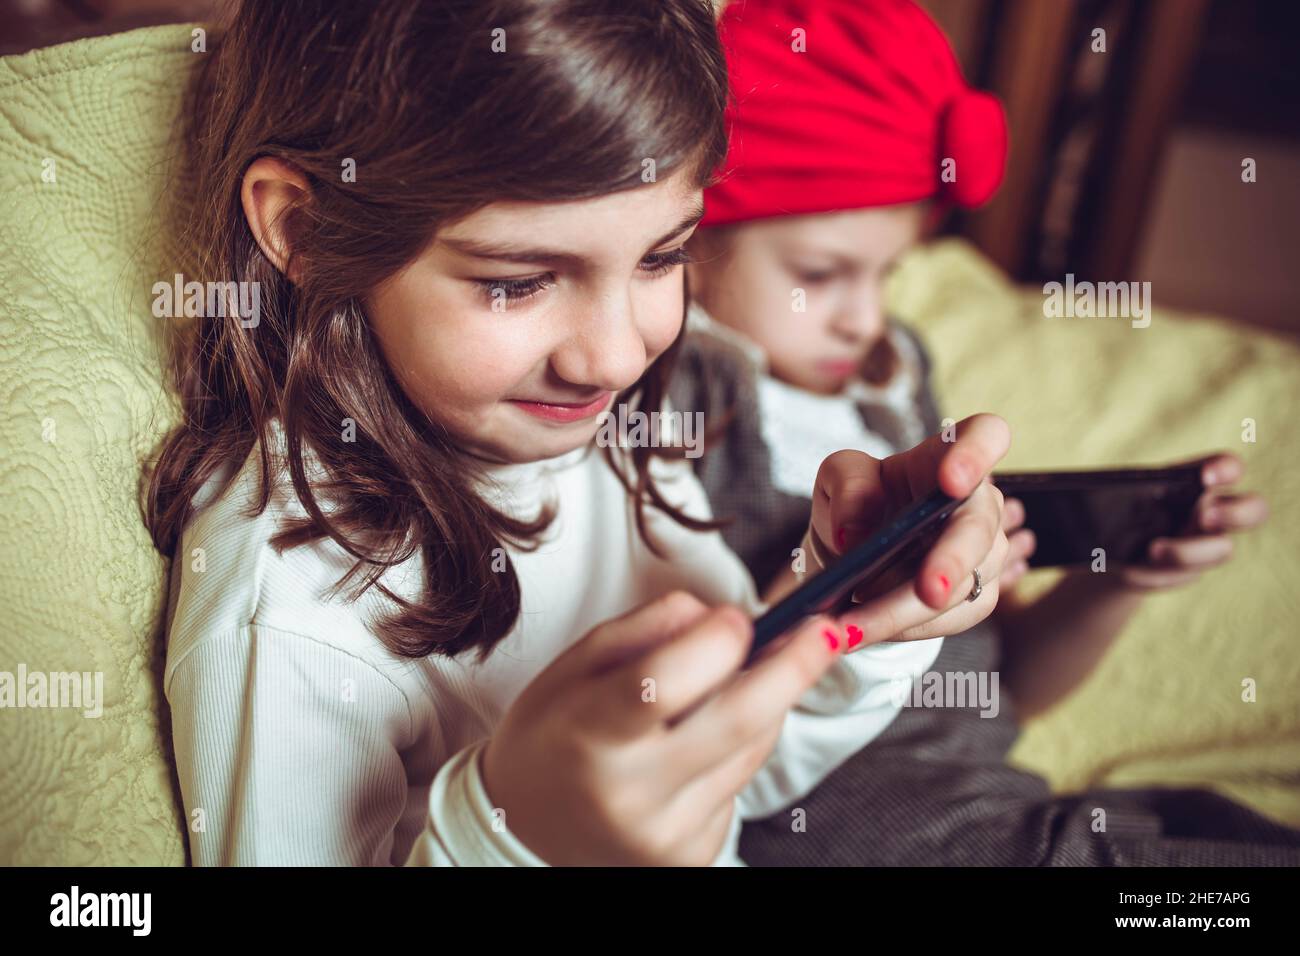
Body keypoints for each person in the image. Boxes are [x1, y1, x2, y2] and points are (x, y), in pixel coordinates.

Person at [145, 0, 1010, 866]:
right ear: (304, 226)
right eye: (518, 282)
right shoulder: (292, 610)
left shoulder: (606, 442)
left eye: (662, 257)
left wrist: (850, 617)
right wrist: (510, 833)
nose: (613, 355)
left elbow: (730, 781)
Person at [669, 0, 1296, 864]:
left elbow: (1009, 689)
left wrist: (1116, 578)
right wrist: (854, 571)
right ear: (687, 244)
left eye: (889, 273)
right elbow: (687, 709)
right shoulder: (686, 398)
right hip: (875, 829)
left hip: (1010, 813)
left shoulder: (893, 389)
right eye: (822, 274)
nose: (865, 317)